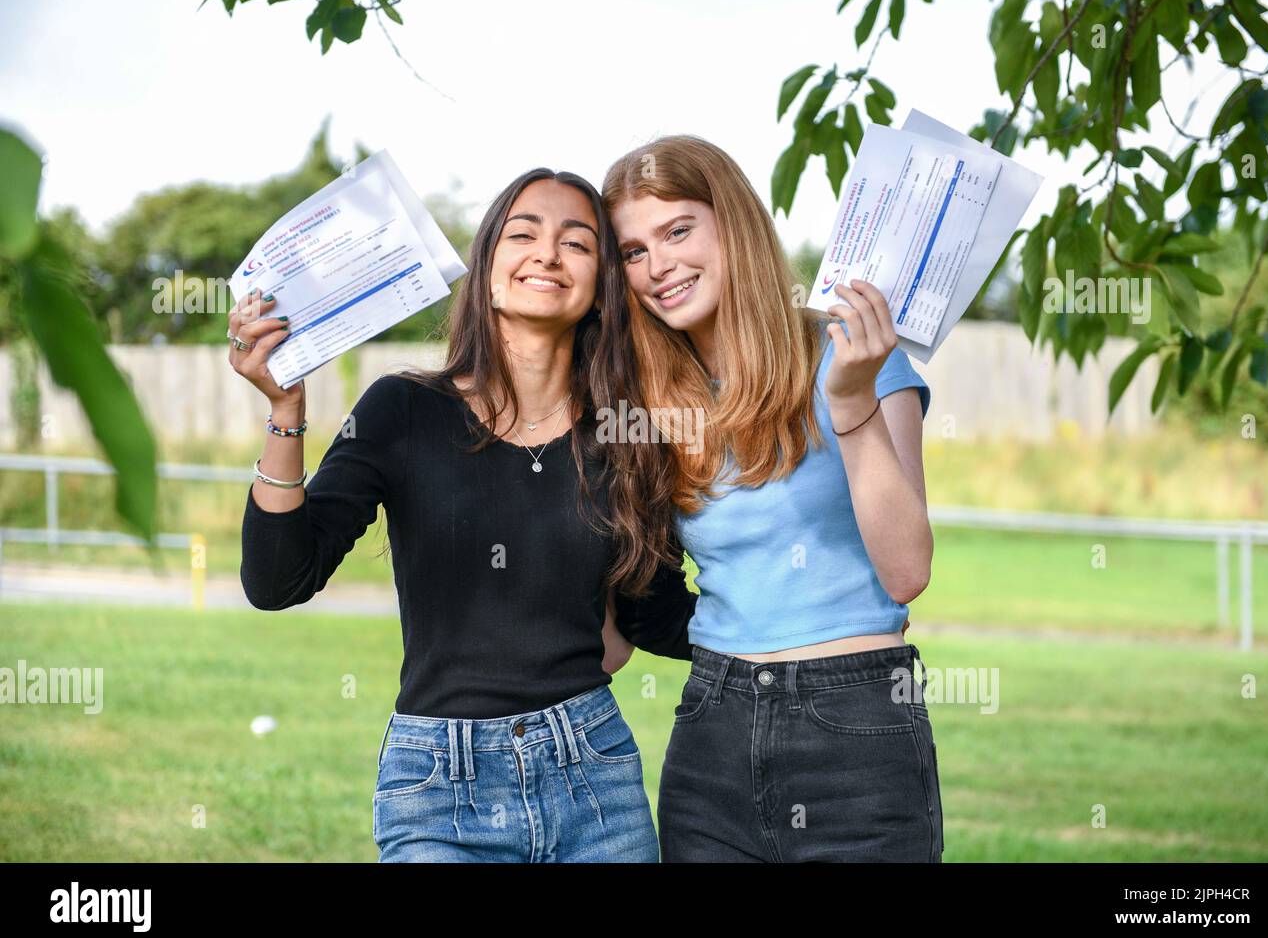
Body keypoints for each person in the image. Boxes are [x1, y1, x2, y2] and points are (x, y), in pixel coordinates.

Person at [233, 167, 692, 862]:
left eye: (576, 242)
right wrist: (286, 411)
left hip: (595, 776)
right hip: (439, 787)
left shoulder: (626, 433)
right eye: (523, 234)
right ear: (484, 269)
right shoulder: (402, 411)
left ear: (601, 284)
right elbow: (277, 580)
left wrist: (819, 627)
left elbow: (651, 616)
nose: (546, 254)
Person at [602, 135, 943, 862]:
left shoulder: (856, 355)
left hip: (855, 720)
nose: (658, 266)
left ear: (734, 222)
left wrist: (849, 403)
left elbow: (907, 570)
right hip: (711, 724)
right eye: (634, 252)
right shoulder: (651, 397)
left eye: (678, 230)